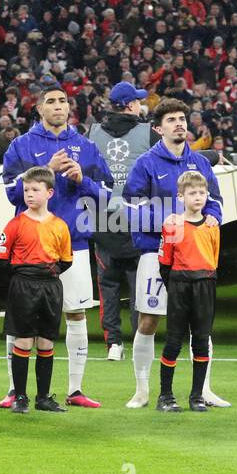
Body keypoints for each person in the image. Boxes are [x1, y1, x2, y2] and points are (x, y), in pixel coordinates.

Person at [0, 85, 113, 409]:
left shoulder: (85, 147)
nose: (58, 105)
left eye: (63, 100)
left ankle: (74, 390)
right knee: (21, 320)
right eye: (51, 101)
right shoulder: (22, 145)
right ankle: (13, 389)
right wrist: (46, 170)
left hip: (72, 243)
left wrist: (82, 180)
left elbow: (106, 195)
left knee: (76, 314)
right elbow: (10, 192)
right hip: (29, 245)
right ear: (39, 108)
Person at [122, 99, 226, 409]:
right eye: (171, 120)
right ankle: (142, 390)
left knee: (201, 325)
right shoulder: (146, 164)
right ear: (158, 128)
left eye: (182, 118)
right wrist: (170, 222)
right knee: (149, 320)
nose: (179, 123)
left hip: (195, 257)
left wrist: (211, 220)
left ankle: (203, 391)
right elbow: (130, 208)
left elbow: (216, 203)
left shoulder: (201, 164)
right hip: (156, 252)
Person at [0, 166, 72, 414]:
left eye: (35, 189)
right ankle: (21, 396)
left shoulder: (59, 225)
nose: (29, 194)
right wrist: (20, 276)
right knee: (23, 341)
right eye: (26, 190)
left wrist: (46, 273)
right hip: (22, 286)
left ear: (49, 192)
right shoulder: (15, 224)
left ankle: (44, 397)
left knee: (46, 342)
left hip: (49, 286)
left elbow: (66, 260)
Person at [87, 80, 154, 361]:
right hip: (138, 220)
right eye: (137, 101)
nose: (141, 105)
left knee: (108, 287)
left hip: (103, 220)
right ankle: (140, 341)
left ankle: (113, 343)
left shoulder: (91, 133)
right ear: (130, 106)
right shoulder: (149, 133)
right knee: (140, 286)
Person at [156, 171, 220, 413]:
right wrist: (175, 286)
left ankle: (197, 395)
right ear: (181, 196)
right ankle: (165, 395)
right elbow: (165, 262)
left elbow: (213, 260)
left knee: (201, 341)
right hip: (180, 285)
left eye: (202, 193)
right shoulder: (173, 224)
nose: (198, 197)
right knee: (174, 341)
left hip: (205, 284)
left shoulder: (212, 225)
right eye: (192, 193)